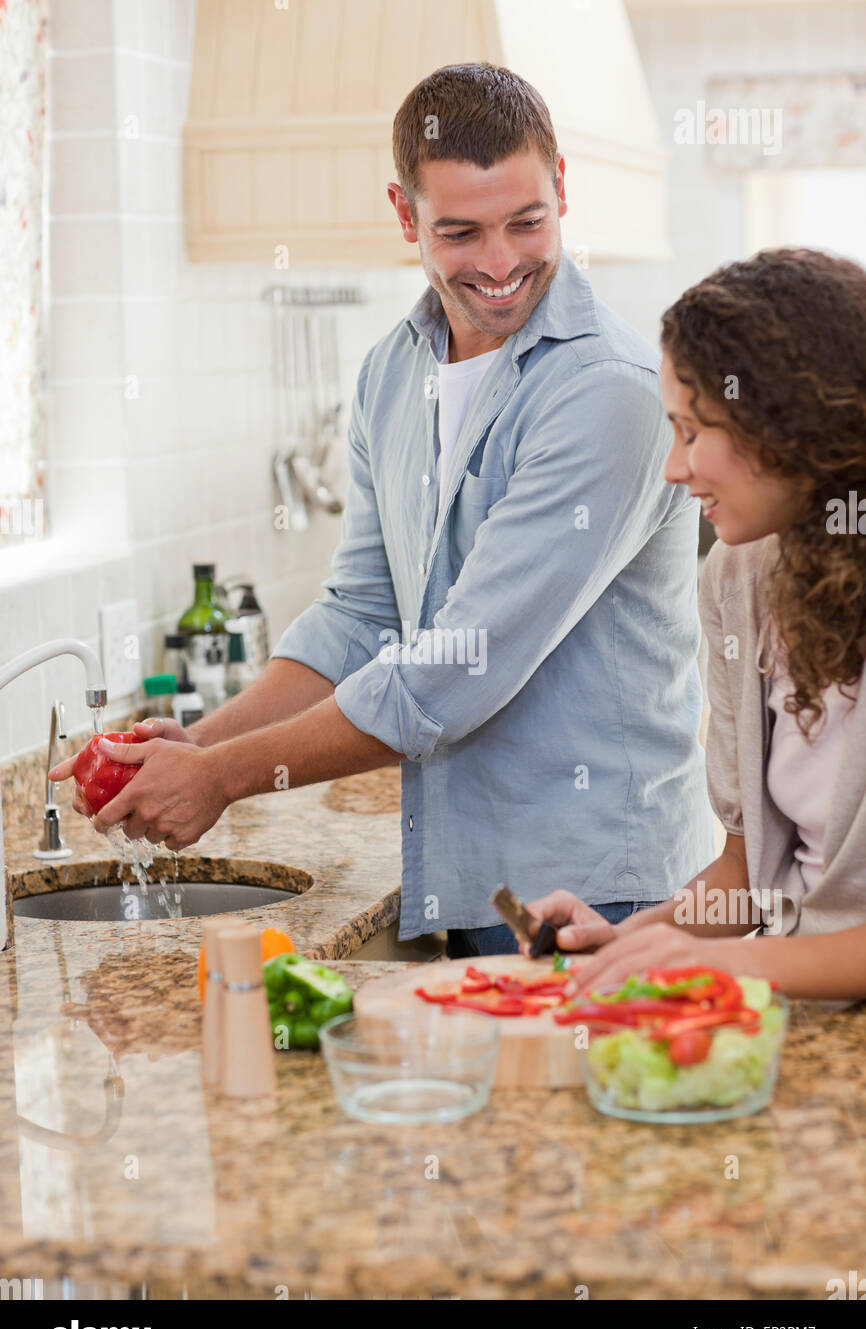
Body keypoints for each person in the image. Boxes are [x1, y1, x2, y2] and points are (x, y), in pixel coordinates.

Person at [51, 63, 713, 956]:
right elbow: (361, 617)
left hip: (604, 894)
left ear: (562, 186)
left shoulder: (607, 394)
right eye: (460, 231)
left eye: (527, 221)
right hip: (469, 878)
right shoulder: (392, 373)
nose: (500, 263)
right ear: (405, 216)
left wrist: (220, 776)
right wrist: (198, 743)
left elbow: (453, 670)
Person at [527, 247, 866, 999]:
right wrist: (627, 941)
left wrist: (723, 965)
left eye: (692, 431)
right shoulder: (737, 582)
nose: (673, 469)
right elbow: (750, 872)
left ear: (787, 425)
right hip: (792, 1028)